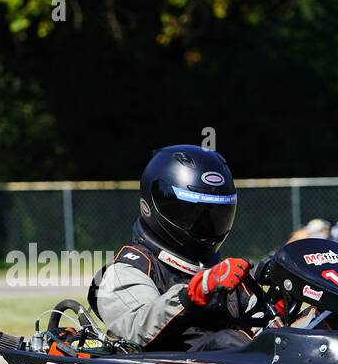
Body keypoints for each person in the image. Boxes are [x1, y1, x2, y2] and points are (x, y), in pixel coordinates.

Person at [88, 145, 272, 351]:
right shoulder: (128, 270)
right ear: (156, 206)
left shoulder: (223, 274)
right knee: (226, 341)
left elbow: (265, 341)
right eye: (194, 215)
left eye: (216, 216)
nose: (207, 227)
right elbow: (134, 329)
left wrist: (281, 308)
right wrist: (191, 294)